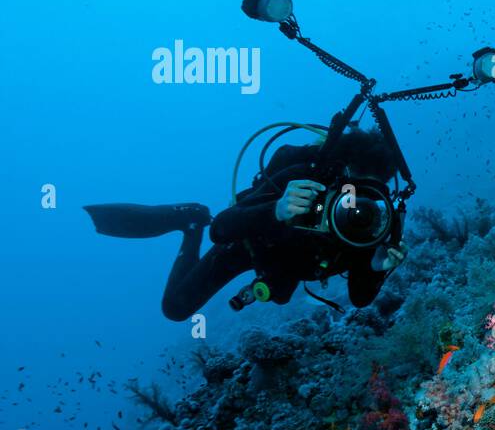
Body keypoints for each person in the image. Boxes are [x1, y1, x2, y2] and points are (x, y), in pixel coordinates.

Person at [85, 129, 406, 321]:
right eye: (354, 191)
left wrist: (377, 267)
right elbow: (222, 228)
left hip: (291, 267)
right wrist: (276, 210)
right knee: (175, 308)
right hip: (252, 245)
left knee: (279, 293)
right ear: (340, 176)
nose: (358, 207)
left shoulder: (373, 226)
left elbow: (361, 298)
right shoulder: (304, 183)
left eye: (370, 196)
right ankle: (189, 220)